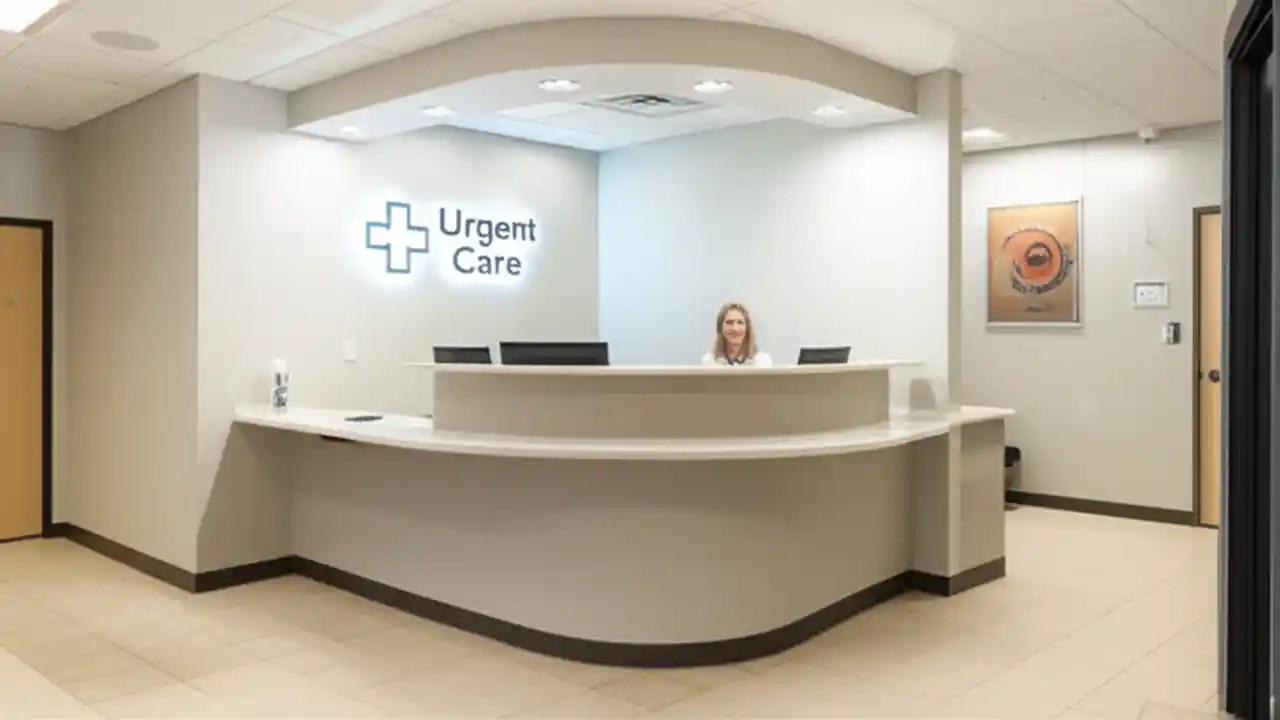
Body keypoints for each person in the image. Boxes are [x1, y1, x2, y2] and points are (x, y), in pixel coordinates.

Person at [702, 302, 773, 366]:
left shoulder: (763, 362)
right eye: (729, 322)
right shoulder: (709, 361)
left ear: (747, 328)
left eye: (740, 322)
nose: (735, 329)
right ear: (720, 328)